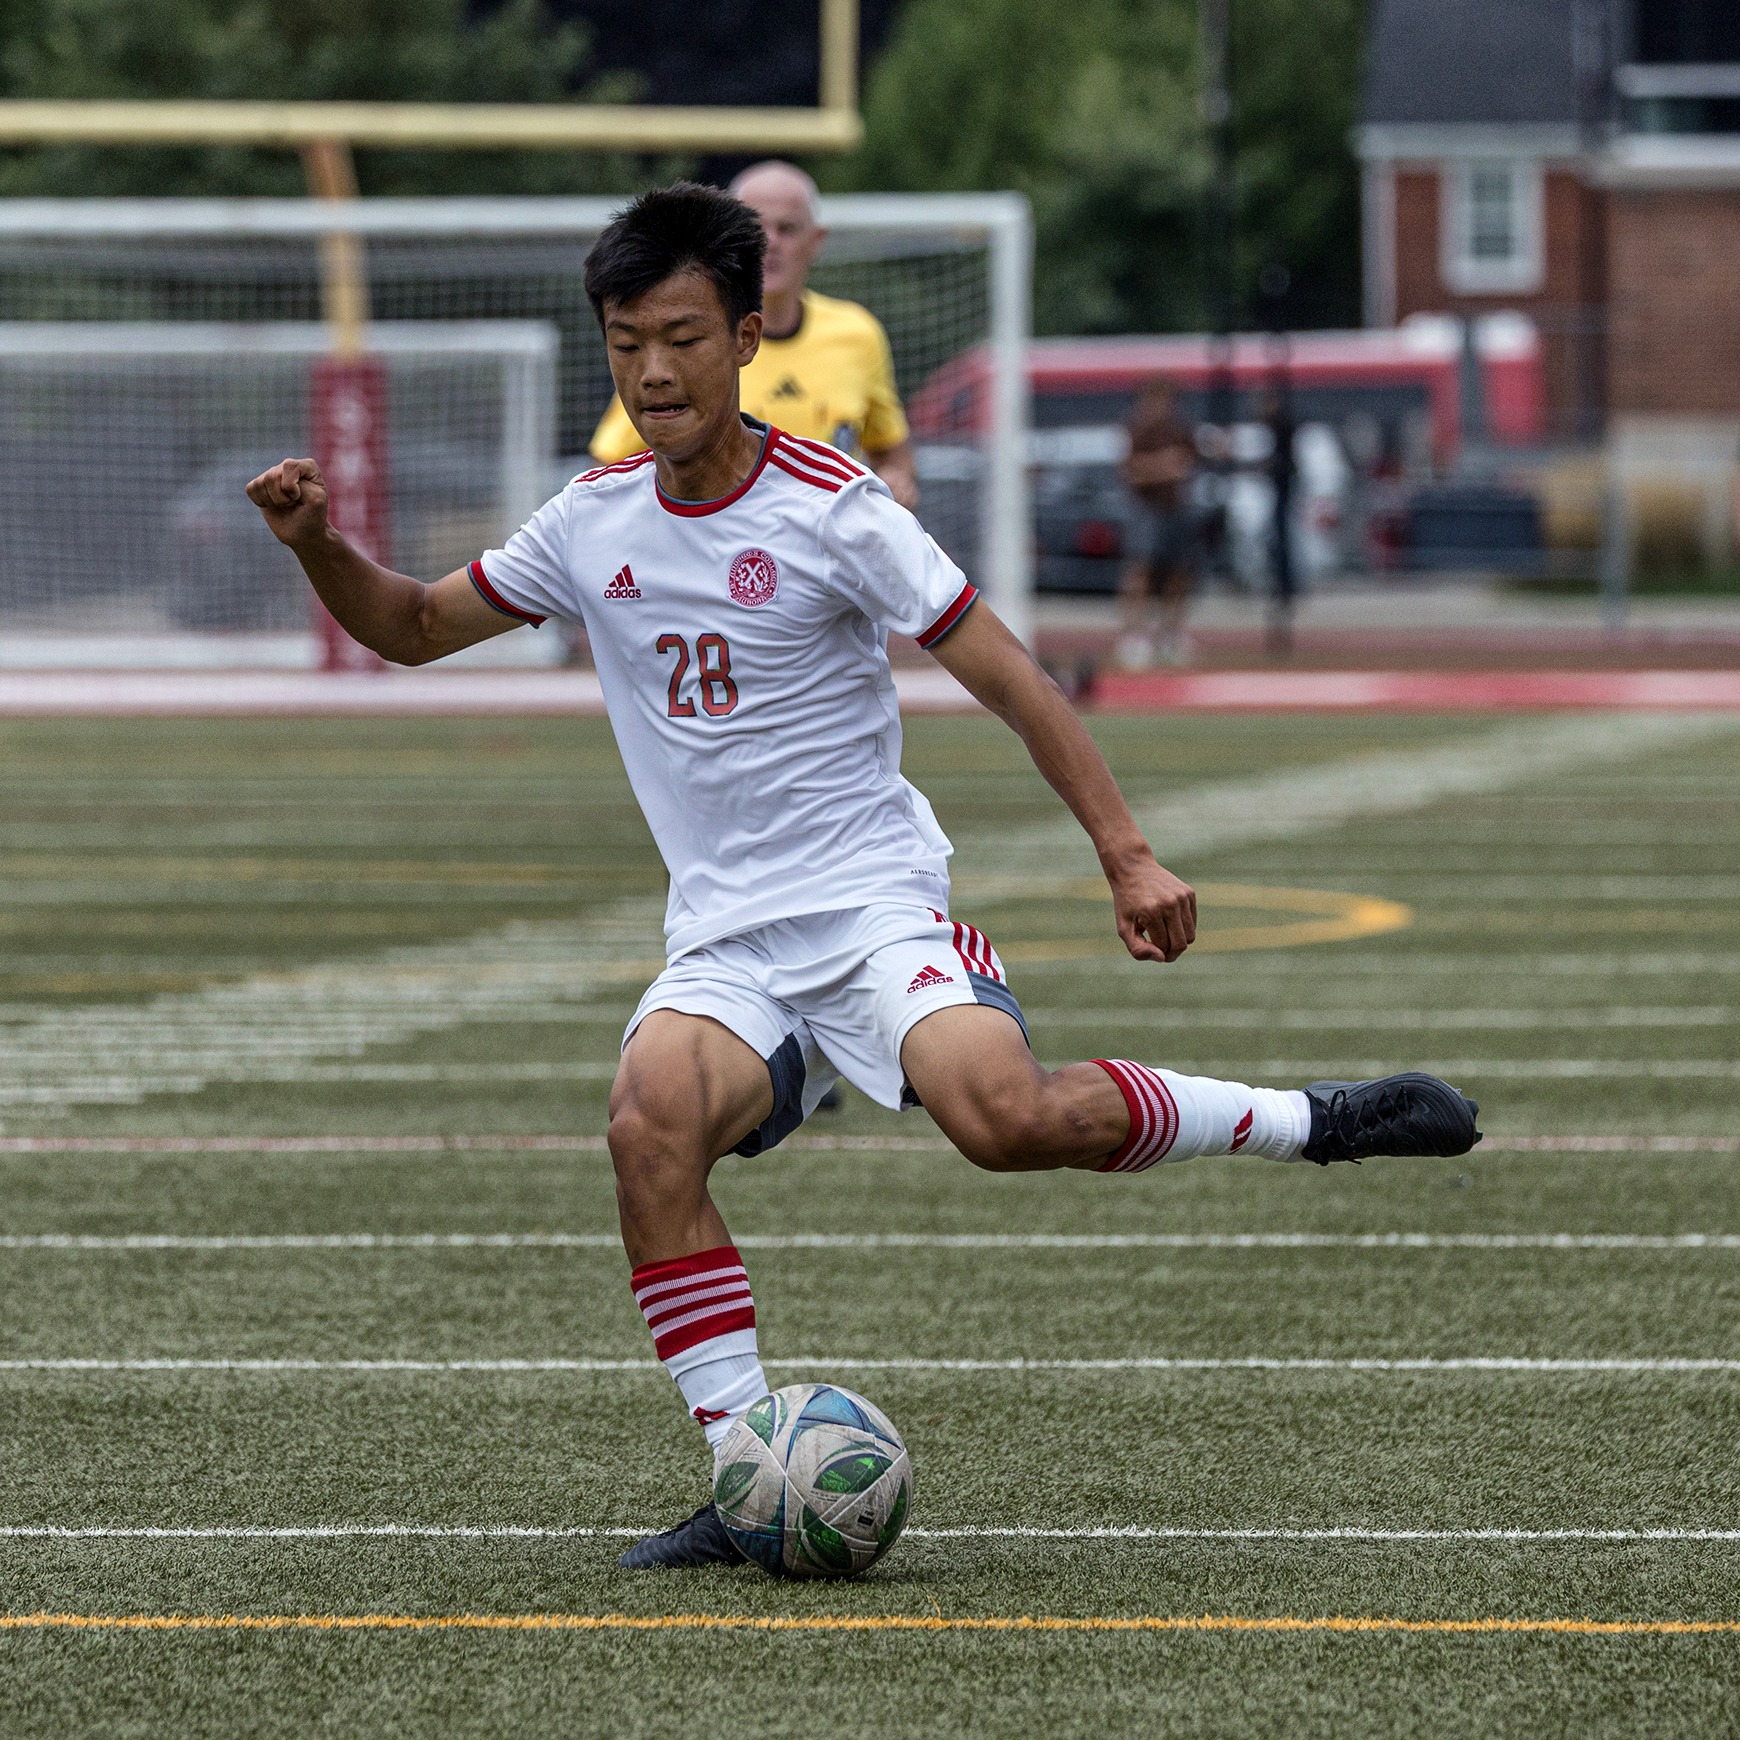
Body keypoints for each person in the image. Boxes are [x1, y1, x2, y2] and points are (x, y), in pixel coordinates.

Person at [246, 183, 1482, 1573]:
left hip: (873, 907)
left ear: (747, 335)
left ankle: (1310, 1118)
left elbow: (1008, 674)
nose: (653, 371)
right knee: (647, 1126)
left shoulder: (836, 508)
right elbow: (412, 625)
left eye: (681, 337)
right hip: (729, 946)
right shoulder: (591, 522)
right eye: (623, 342)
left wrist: (1127, 852)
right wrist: (315, 546)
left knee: (1004, 1121)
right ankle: (745, 1470)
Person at [587, 161, 919, 512]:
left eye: (787, 229)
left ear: (816, 239)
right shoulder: (683, 347)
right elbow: (607, 468)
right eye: (755, 229)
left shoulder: (858, 333)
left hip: (827, 552)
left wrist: (896, 484)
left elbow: (891, 451)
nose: (770, 243)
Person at [1116, 378, 1201, 669]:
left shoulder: (1180, 429)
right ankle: (1133, 635)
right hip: (1146, 508)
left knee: (1180, 573)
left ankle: (1169, 633)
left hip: (1176, 507)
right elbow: (1131, 471)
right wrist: (1163, 467)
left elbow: (1191, 463)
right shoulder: (1137, 429)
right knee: (1141, 570)